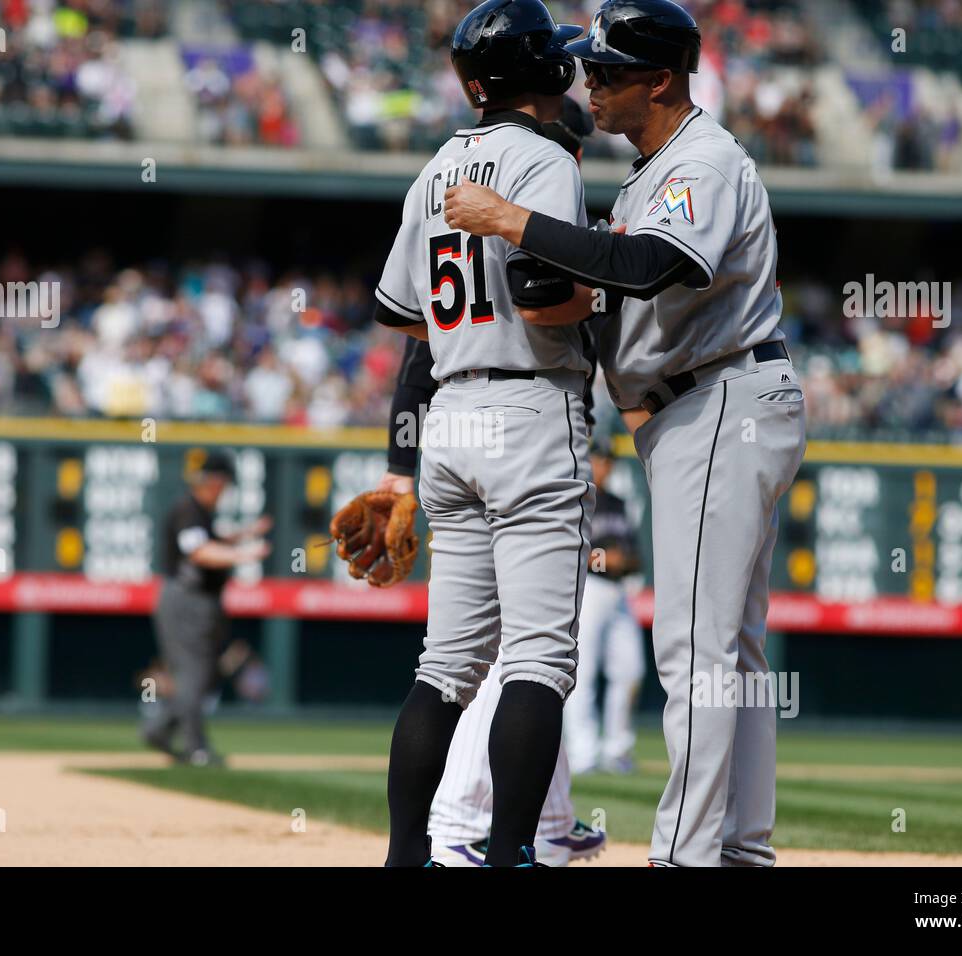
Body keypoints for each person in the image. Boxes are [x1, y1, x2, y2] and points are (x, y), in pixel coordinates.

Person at [443, 0, 807, 866]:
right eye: (588, 68)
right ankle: (742, 850)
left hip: (722, 400)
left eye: (606, 71)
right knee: (731, 651)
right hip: (706, 402)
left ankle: (684, 855)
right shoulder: (652, 171)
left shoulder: (701, 161)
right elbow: (621, 291)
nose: (587, 83)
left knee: (694, 648)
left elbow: (649, 267)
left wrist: (513, 221)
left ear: (661, 79)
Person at [372, 0, 597, 867]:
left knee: (444, 669)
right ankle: (509, 857)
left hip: (450, 420)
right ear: (546, 71)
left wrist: (400, 461)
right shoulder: (545, 156)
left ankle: (404, 859)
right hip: (530, 405)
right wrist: (603, 292)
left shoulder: (433, 169)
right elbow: (546, 293)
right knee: (538, 663)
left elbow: (404, 316)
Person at [140, 451, 270, 766]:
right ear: (213, 480)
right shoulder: (189, 509)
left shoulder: (200, 511)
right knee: (195, 675)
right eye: (223, 482)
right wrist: (244, 554)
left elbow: (209, 541)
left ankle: (158, 729)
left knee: (206, 673)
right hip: (187, 600)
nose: (224, 489)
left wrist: (242, 535)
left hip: (200, 601)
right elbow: (198, 552)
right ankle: (196, 748)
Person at [564, 434, 645, 776]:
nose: (604, 466)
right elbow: (572, 551)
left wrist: (623, 561)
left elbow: (634, 557)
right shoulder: (575, 498)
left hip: (618, 594)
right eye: (599, 459)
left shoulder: (617, 502)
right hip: (588, 591)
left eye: (608, 460)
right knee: (582, 674)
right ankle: (582, 753)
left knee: (631, 670)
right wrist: (604, 559)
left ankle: (617, 750)